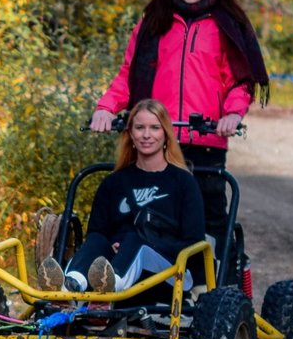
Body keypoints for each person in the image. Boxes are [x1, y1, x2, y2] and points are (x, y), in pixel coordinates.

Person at [89, 0, 269, 252]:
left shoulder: (225, 24)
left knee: (206, 217)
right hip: (156, 138)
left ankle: (213, 289)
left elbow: (239, 82)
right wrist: (105, 108)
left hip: (205, 141)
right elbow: (128, 75)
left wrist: (232, 115)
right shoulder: (154, 22)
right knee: (143, 212)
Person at [42, 99, 205, 294]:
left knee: (136, 242)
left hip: (171, 270)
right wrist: (115, 246)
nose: (146, 135)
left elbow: (194, 241)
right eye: (139, 128)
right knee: (96, 242)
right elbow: (97, 233)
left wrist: (137, 244)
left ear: (166, 134)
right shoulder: (114, 182)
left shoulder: (183, 182)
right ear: (130, 134)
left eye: (154, 128)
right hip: (116, 260)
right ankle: (69, 285)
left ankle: (112, 285)